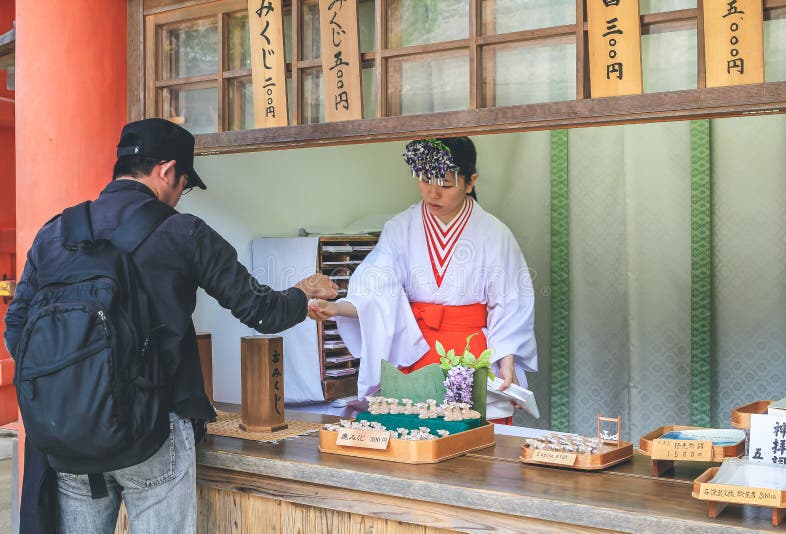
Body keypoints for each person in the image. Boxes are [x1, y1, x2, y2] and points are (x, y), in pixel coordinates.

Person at [4, 118, 338, 533]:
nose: (181, 195)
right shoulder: (182, 231)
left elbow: (17, 331)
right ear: (166, 171)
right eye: (184, 183)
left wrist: (80, 386)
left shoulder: (56, 232)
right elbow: (259, 310)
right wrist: (302, 295)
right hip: (154, 430)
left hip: (70, 436)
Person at [308, 137, 537, 423]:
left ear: (470, 182)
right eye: (425, 180)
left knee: (473, 437)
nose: (432, 193)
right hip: (414, 350)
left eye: (446, 184)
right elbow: (376, 288)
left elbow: (511, 300)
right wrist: (338, 308)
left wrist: (507, 356)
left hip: (471, 354)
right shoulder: (400, 228)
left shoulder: (495, 233)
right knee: (413, 436)